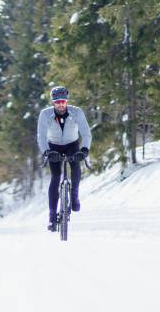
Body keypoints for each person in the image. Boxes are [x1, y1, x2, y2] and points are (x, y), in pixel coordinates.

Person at [36, 86, 92, 232]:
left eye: (63, 101)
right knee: (55, 177)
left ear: (66, 101)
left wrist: (84, 150)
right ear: (53, 102)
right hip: (53, 146)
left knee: (75, 167)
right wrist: (46, 152)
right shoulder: (45, 114)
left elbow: (86, 133)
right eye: (57, 102)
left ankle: (74, 196)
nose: (60, 104)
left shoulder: (77, 112)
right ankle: (52, 216)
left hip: (72, 144)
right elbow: (41, 136)